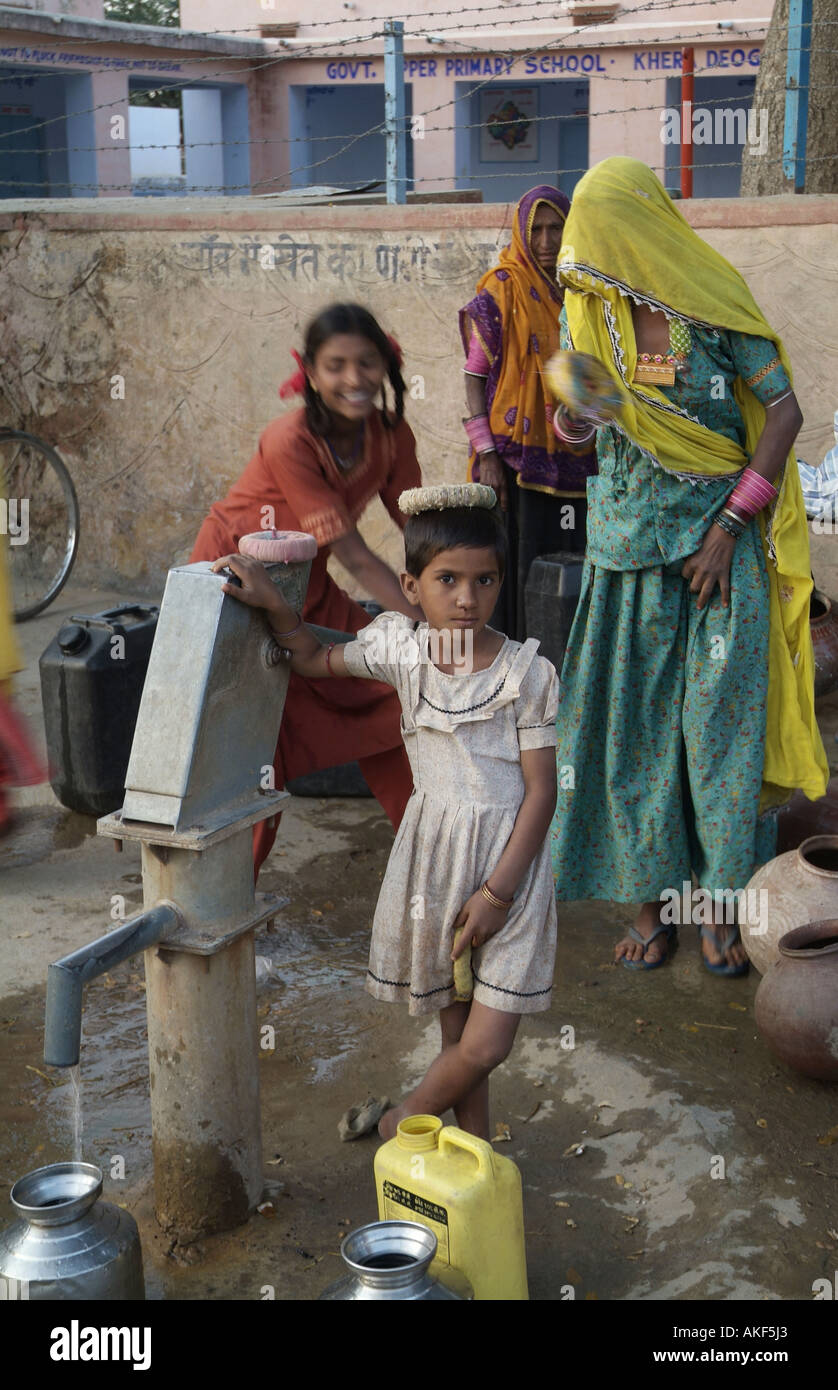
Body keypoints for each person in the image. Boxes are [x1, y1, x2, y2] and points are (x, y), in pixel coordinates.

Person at [549, 157, 828, 975]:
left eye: (597, 234)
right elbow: (591, 425)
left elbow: (784, 412)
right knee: (632, 735)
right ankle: (649, 906)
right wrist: (575, 418)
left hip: (719, 553)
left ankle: (715, 906)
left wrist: (731, 525)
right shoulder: (588, 313)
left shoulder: (710, 300)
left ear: (638, 226)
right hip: (628, 555)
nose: (582, 251)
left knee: (719, 737)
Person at [211, 483, 558, 1140]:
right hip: (435, 866)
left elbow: (542, 791)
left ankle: (402, 1121)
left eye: (485, 581)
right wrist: (274, 604)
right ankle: (470, 1162)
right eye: (448, 579)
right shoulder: (402, 650)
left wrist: (497, 895)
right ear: (412, 584)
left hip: (510, 875)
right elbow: (311, 657)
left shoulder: (526, 675)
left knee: (486, 1047)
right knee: (457, 1040)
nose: (466, 597)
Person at [190, 303, 420, 876]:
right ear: (311, 374)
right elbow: (356, 557)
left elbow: (422, 536)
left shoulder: (391, 437)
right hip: (234, 590)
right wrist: (433, 626)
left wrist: (455, 606)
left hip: (306, 588)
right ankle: (220, 908)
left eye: (366, 363)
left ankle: (431, 861)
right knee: (252, 752)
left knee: (393, 691)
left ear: (385, 364)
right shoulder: (289, 438)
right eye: (336, 365)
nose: (354, 379)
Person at [460, 184, 597, 640]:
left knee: (573, 570)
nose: (545, 242)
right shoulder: (503, 289)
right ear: (521, 232)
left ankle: (566, 678)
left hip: (581, 458)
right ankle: (515, 678)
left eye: (556, 228)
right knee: (517, 571)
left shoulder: (585, 291)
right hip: (515, 465)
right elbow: (475, 377)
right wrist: (486, 455)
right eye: (535, 230)